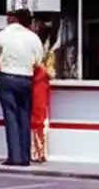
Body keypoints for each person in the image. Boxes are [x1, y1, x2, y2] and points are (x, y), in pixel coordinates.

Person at [0, 7, 44, 167]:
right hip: (26, 79)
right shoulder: (33, 37)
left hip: (7, 77)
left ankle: (14, 156)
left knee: (11, 117)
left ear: (14, 19)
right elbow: (39, 60)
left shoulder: (3, 34)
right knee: (24, 117)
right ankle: (25, 157)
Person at [30, 19, 56, 163]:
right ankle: (40, 152)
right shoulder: (47, 54)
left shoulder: (37, 58)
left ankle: (37, 152)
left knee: (36, 120)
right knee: (41, 120)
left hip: (36, 87)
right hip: (42, 87)